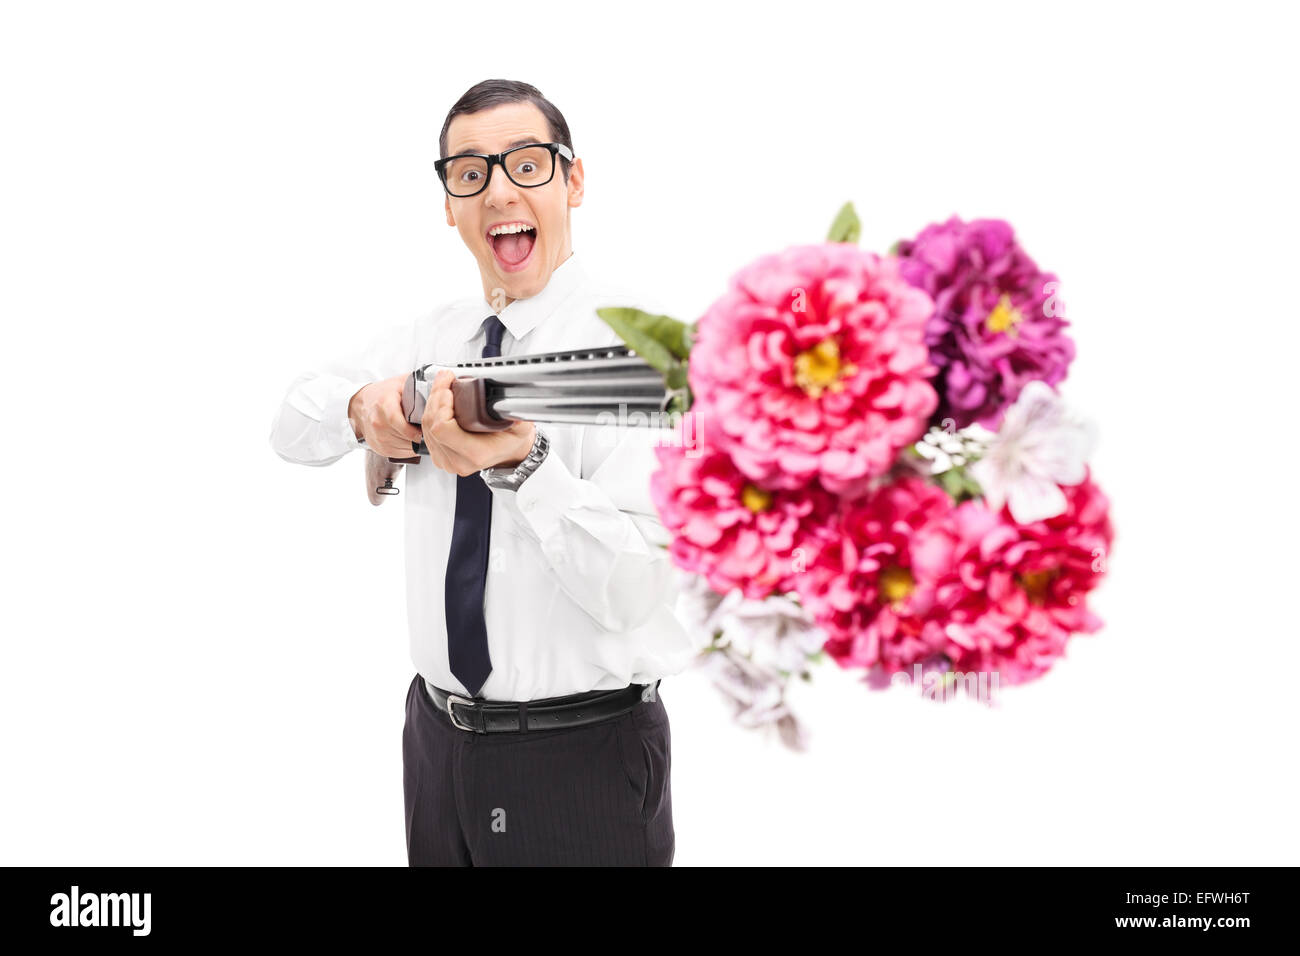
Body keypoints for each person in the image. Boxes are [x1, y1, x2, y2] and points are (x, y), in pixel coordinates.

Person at [268, 79, 698, 866]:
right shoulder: (436, 334)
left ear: (572, 180)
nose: (499, 189)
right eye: (469, 172)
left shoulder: (644, 355)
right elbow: (291, 422)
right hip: (436, 744)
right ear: (448, 201)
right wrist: (368, 408)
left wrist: (528, 466)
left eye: (527, 164)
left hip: (583, 759)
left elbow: (640, 590)